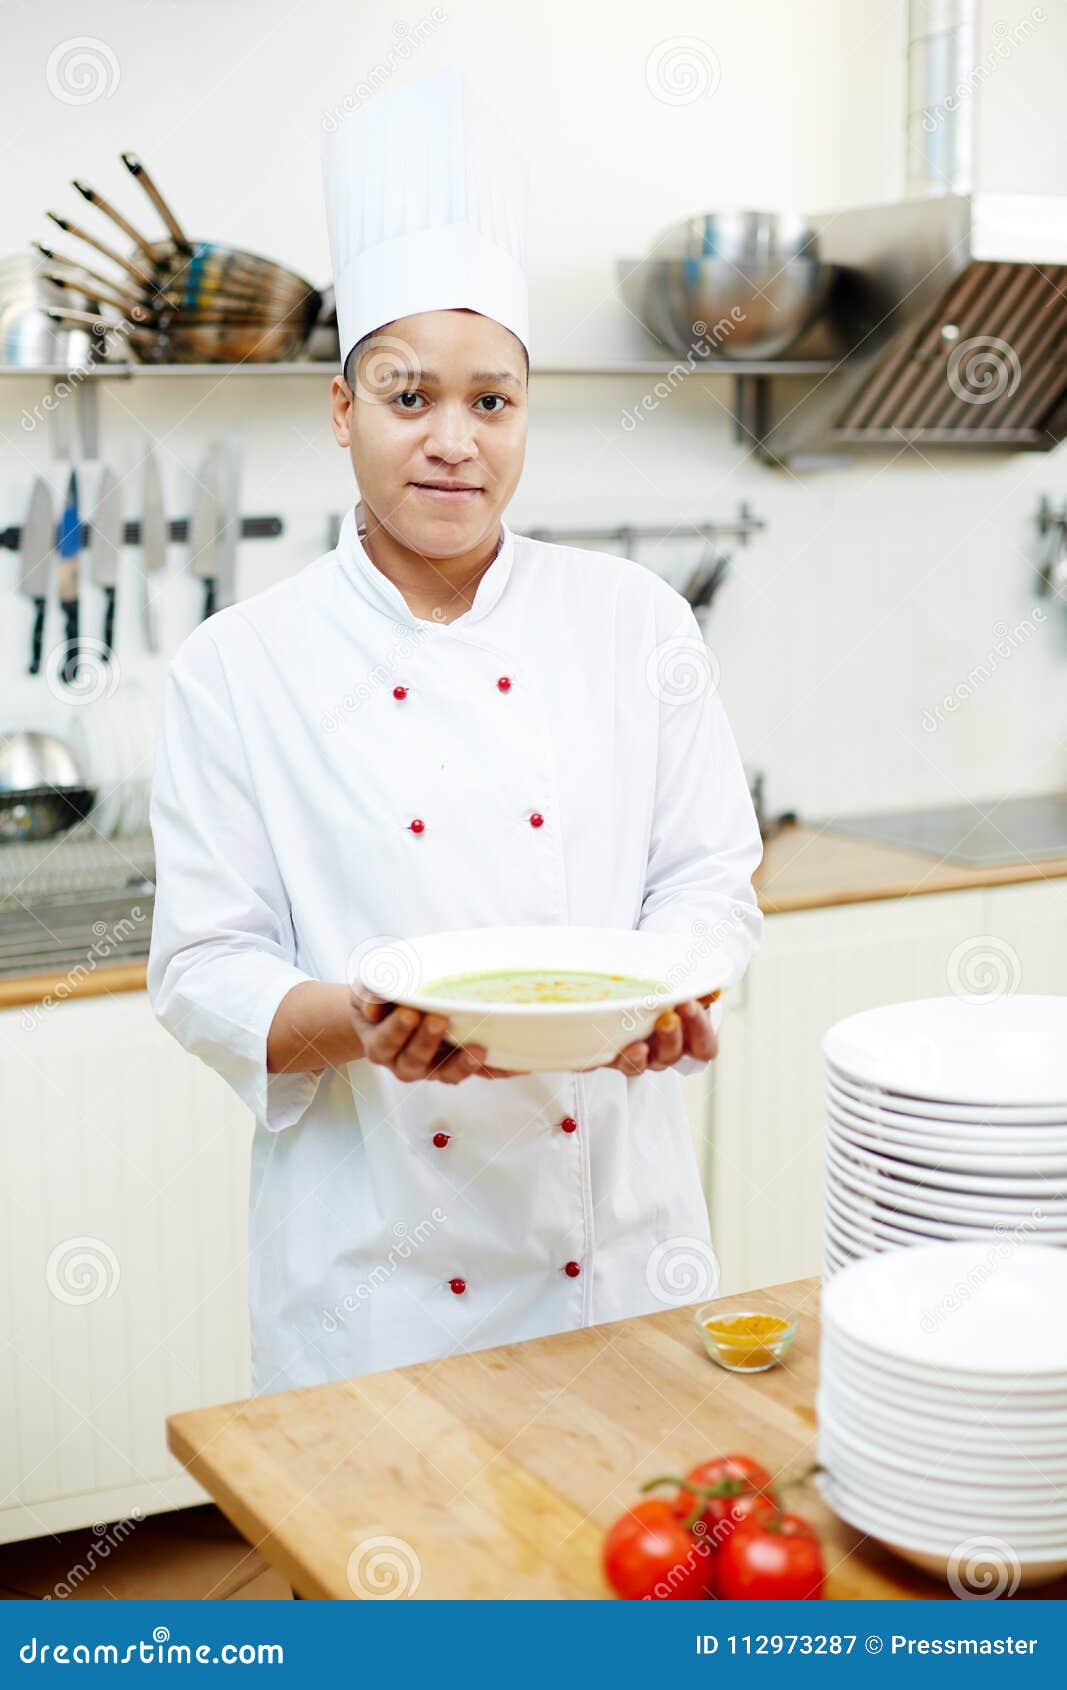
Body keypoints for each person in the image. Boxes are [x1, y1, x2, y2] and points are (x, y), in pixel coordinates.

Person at [147, 68, 763, 1395]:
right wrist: (361, 1022)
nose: (453, 442)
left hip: (619, 1249)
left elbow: (710, 876)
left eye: (493, 401)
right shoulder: (235, 669)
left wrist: (683, 988)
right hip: (379, 1291)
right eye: (408, 395)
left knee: (628, 1582)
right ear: (341, 409)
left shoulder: (636, 619)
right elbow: (203, 967)